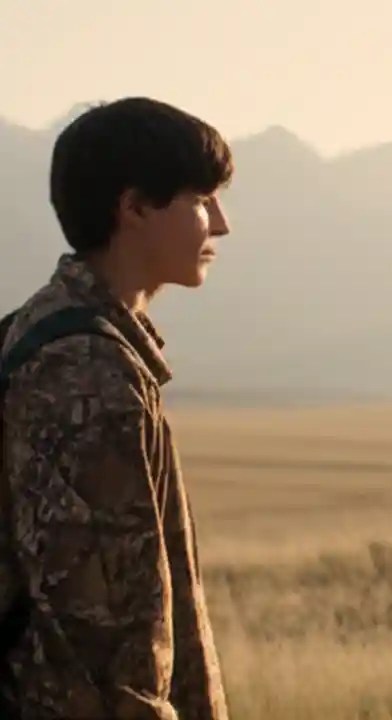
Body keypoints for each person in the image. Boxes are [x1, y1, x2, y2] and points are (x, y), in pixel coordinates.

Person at [0, 97, 234, 719]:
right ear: (133, 208)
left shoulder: (52, 336)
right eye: (200, 200)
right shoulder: (88, 375)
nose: (221, 223)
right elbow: (111, 650)